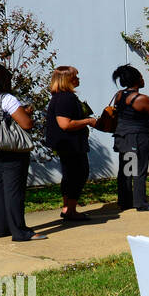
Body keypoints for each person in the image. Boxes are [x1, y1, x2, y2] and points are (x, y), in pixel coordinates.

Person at [0, 64, 44, 242]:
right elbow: (26, 124)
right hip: (12, 148)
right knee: (14, 190)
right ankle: (19, 231)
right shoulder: (7, 99)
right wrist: (27, 112)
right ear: (3, 80)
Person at [45, 65, 97, 222]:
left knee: (70, 174)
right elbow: (65, 124)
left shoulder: (61, 96)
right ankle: (71, 209)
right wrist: (88, 121)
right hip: (70, 144)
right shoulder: (65, 98)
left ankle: (67, 207)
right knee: (78, 174)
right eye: (75, 76)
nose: (78, 78)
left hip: (67, 144)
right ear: (67, 79)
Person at [108, 65, 149, 212]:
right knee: (139, 169)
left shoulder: (119, 95)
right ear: (136, 80)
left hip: (122, 136)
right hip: (138, 136)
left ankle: (125, 201)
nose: (143, 79)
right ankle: (140, 203)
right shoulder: (141, 99)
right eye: (141, 77)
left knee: (126, 169)